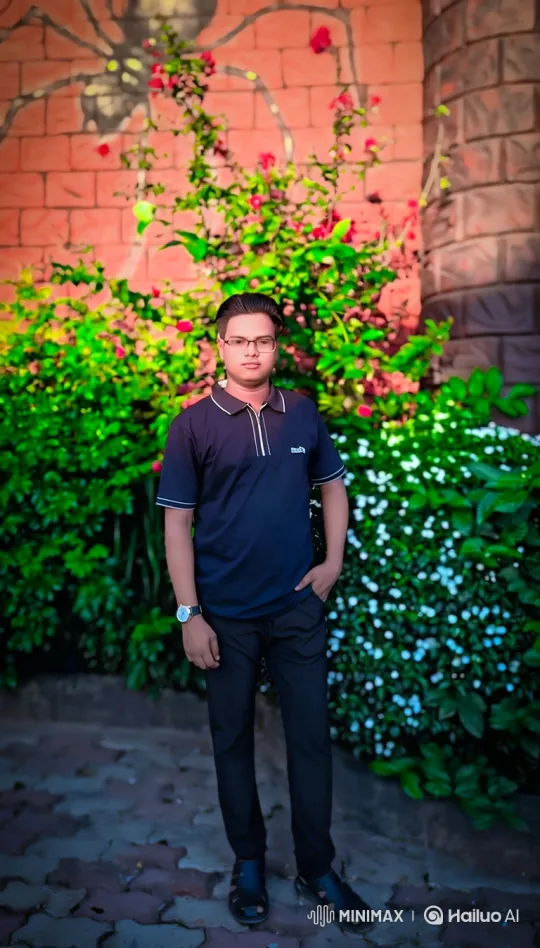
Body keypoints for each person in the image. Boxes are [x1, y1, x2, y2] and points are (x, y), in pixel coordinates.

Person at [156, 292, 372, 935]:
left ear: (277, 346)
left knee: (310, 740)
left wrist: (331, 564)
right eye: (239, 340)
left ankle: (317, 866)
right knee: (232, 742)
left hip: (297, 607)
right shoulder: (193, 424)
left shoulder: (301, 415)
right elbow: (177, 523)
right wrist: (189, 613)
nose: (252, 351)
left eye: (263, 340)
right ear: (220, 347)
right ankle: (248, 862)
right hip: (225, 616)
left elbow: (333, 486)